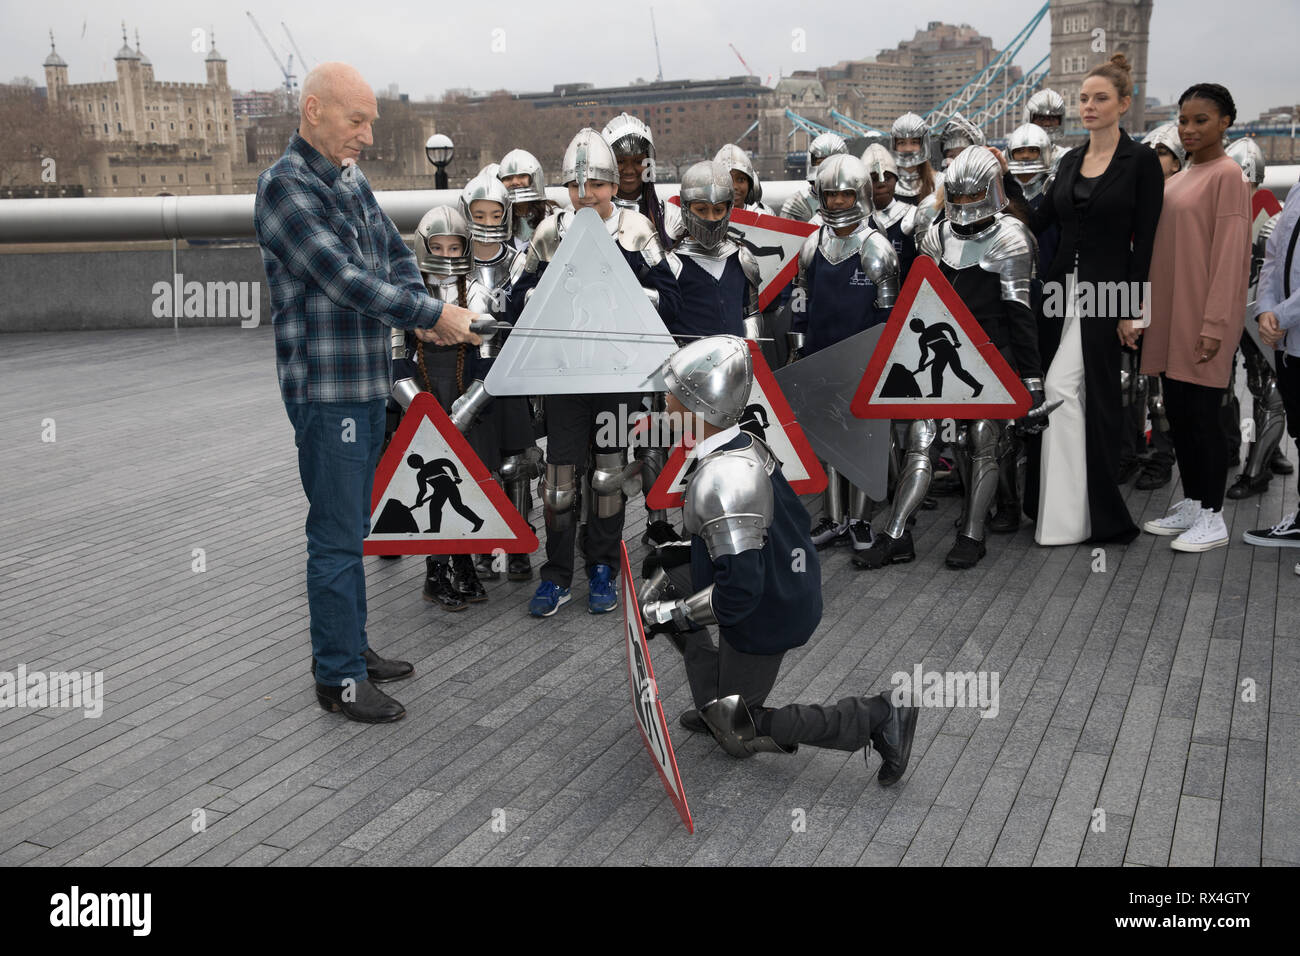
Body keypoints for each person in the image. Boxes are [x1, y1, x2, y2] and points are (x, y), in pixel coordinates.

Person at [254, 62, 481, 723]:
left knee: (352, 529)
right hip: (326, 393)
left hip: (365, 383)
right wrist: (430, 315)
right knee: (333, 535)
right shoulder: (284, 190)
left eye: (372, 122)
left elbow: (393, 253)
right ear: (314, 110)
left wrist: (423, 304)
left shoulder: (350, 181)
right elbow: (345, 277)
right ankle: (339, 679)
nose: (368, 136)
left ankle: (351, 647)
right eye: (358, 121)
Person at [638, 336, 918, 782]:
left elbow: (739, 594)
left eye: (672, 395)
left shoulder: (723, 480)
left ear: (699, 407)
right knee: (662, 577)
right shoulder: (738, 441)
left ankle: (876, 716)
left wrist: (671, 613)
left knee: (738, 735)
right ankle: (716, 700)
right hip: (771, 576)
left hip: (771, 606)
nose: (664, 402)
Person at [508, 128, 682, 617]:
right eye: (577, 186)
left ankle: (603, 566)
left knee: (608, 475)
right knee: (559, 481)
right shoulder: (549, 231)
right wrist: (546, 298)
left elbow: (671, 297)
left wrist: (621, 296)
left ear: (613, 186)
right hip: (564, 377)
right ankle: (557, 574)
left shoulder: (637, 229)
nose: (587, 195)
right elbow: (517, 297)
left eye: (598, 185)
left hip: (617, 377)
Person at [856, 146, 1044, 571]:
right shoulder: (936, 234)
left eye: (969, 195)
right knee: (920, 440)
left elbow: (1021, 315)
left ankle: (972, 534)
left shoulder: (1012, 237)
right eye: (954, 197)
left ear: (991, 191)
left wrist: (1032, 380)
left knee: (984, 438)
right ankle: (896, 534)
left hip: (993, 352)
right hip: (945, 351)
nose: (961, 205)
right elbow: (919, 303)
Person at [1019, 54, 1164, 547]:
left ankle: (1084, 515)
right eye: (1083, 99)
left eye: (1101, 98)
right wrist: (998, 179)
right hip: (1060, 293)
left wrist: (1133, 310)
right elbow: (1038, 221)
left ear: (1125, 103)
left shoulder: (1140, 162)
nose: (1089, 106)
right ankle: (1069, 513)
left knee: (1068, 389)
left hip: (1107, 297)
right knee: (1062, 395)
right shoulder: (1070, 161)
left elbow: (1145, 241)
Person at [1135, 83, 1251, 553]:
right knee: (1178, 416)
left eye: (1201, 120)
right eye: (1183, 120)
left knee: (1203, 419)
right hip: (1170, 316)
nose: (1189, 129)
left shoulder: (1228, 176)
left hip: (1202, 319)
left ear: (1225, 123)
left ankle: (1214, 516)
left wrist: (1215, 326)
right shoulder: (1177, 179)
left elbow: (1231, 259)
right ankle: (1195, 500)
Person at [790, 154, 900, 552]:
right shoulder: (812, 243)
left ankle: (861, 519)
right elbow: (800, 299)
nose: (836, 202)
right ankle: (833, 518)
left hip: (863, 362)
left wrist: (878, 366)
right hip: (821, 356)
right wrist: (800, 348)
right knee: (827, 438)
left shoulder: (878, 249)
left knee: (864, 439)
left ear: (862, 195)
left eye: (845, 194)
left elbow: (889, 318)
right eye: (830, 194)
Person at [397, 205, 496, 611]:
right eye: (436, 246)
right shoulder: (405, 294)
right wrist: (423, 410)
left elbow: (490, 362)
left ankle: (464, 561)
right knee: (437, 496)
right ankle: (436, 571)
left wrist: (464, 410)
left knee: (467, 487)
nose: (446, 254)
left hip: (465, 399)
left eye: (455, 247)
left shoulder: (478, 293)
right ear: (422, 246)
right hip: (421, 400)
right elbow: (395, 362)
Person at [454, 174, 541, 583]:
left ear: (507, 214)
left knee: (518, 462)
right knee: (479, 463)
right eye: (479, 213)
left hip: (511, 374)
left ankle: (520, 538)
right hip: (468, 374)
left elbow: (531, 313)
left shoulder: (520, 260)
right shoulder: (455, 260)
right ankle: (487, 543)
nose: (487, 221)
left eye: (495, 213)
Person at [1224, 136, 1292, 498]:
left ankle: (1263, 458)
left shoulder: (1270, 212)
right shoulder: (1214, 208)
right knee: (1220, 385)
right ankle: (1229, 446)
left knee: (1265, 388)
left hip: (1256, 311)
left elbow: (1275, 271)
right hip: (1221, 309)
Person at [1246, 181, 1300, 545]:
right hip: (1287, 341)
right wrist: (1265, 309)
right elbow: (1273, 257)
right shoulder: (1297, 190)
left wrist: (1279, 315)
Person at [601, 112, 676, 247]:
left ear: (649, 162)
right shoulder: (587, 215)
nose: (629, 170)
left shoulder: (670, 217)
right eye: (620, 161)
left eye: (637, 161)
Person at [864, 143, 919, 285]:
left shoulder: (914, 216)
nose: (881, 184)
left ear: (896, 179)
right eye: (874, 179)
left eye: (887, 178)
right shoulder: (855, 221)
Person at [888, 112, 943, 236]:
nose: (908, 149)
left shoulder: (941, 183)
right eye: (902, 142)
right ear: (894, 145)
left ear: (924, 144)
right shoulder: (884, 185)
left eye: (914, 142)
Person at [780, 132, 848, 222]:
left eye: (832, 162)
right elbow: (783, 235)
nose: (826, 167)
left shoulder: (854, 201)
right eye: (821, 162)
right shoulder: (796, 203)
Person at [497, 148, 556, 250]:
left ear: (534, 178)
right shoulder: (497, 219)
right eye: (508, 178)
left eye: (522, 176)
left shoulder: (553, 217)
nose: (515, 182)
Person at [714, 144, 771, 215]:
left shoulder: (763, 216)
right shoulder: (703, 217)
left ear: (749, 184)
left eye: (741, 180)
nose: (734, 186)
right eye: (726, 180)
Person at [1024, 88, 1071, 171]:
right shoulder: (1010, 156)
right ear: (1029, 119)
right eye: (1041, 118)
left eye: (1052, 119)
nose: (1047, 124)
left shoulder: (1068, 158)